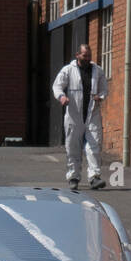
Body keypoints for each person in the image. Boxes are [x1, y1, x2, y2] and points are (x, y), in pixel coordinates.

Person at [52, 43, 108, 190]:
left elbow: (104, 89)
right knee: (73, 147)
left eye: (89, 56)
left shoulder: (97, 70)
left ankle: (94, 177)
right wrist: (62, 97)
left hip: (92, 113)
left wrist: (100, 97)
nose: (87, 58)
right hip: (73, 114)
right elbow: (57, 86)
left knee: (93, 145)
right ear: (78, 55)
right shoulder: (68, 70)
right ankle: (73, 177)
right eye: (84, 55)